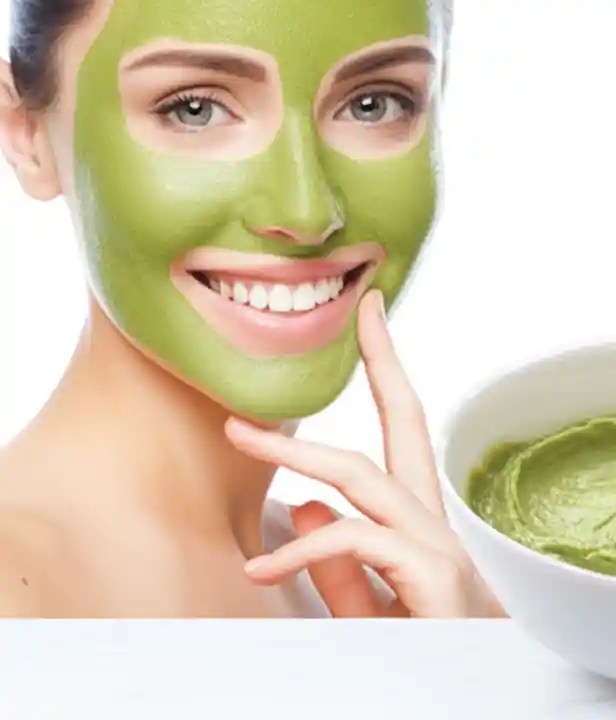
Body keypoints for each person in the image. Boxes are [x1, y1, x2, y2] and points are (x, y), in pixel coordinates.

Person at [0, 0, 505, 618]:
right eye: (195, 108)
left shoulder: (388, 598)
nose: (307, 211)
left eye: (374, 102)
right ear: (24, 132)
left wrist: (464, 677)